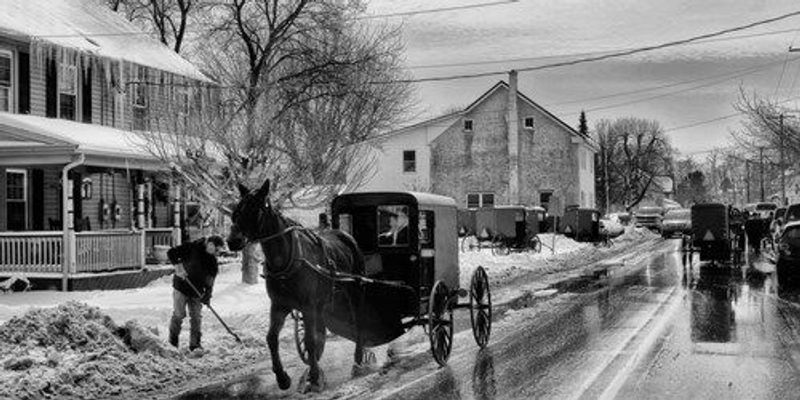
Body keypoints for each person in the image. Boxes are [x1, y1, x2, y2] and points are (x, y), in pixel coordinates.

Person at [167, 235, 225, 351]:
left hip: (196, 291)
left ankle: (195, 345)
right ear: (210, 244)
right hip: (181, 287)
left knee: (196, 318)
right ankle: (172, 343)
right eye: (217, 249)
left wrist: (207, 295)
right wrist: (178, 266)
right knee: (179, 314)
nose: (217, 253)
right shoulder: (192, 247)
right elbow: (171, 252)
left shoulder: (212, 262)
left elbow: (210, 281)